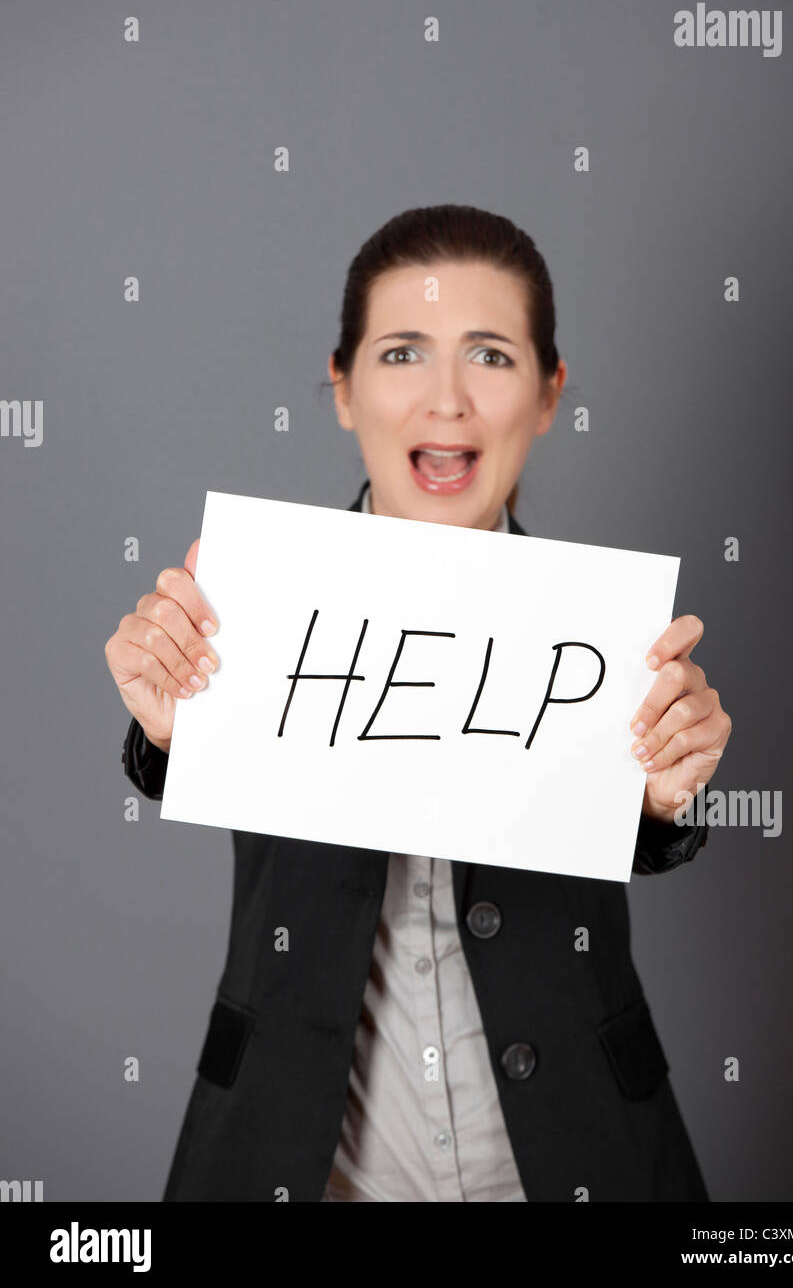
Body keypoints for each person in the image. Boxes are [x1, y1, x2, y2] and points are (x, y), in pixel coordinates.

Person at [105, 204, 732, 1202]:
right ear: (344, 387)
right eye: (402, 354)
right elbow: (189, 748)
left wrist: (660, 795)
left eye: (488, 355)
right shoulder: (253, 600)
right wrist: (168, 731)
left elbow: (622, 827)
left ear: (546, 392)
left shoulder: (610, 637)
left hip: (573, 1155)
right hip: (303, 1163)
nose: (446, 400)